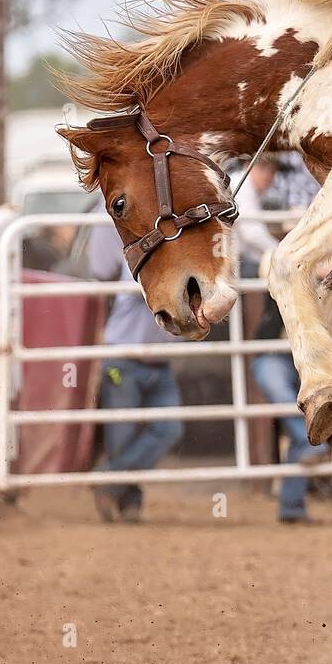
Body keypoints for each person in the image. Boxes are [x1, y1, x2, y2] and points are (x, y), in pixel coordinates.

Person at [235, 153, 330, 523]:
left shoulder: (297, 260)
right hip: (274, 354)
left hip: (301, 356)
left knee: (303, 420)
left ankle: (292, 506)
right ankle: (296, 492)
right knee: (297, 419)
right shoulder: (273, 262)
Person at [88, 220, 184, 522]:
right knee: (122, 436)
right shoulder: (140, 266)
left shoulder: (168, 266)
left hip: (155, 362)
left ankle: (109, 480)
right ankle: (129, 504)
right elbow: (155, 291)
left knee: (168, 428)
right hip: (123, 361)